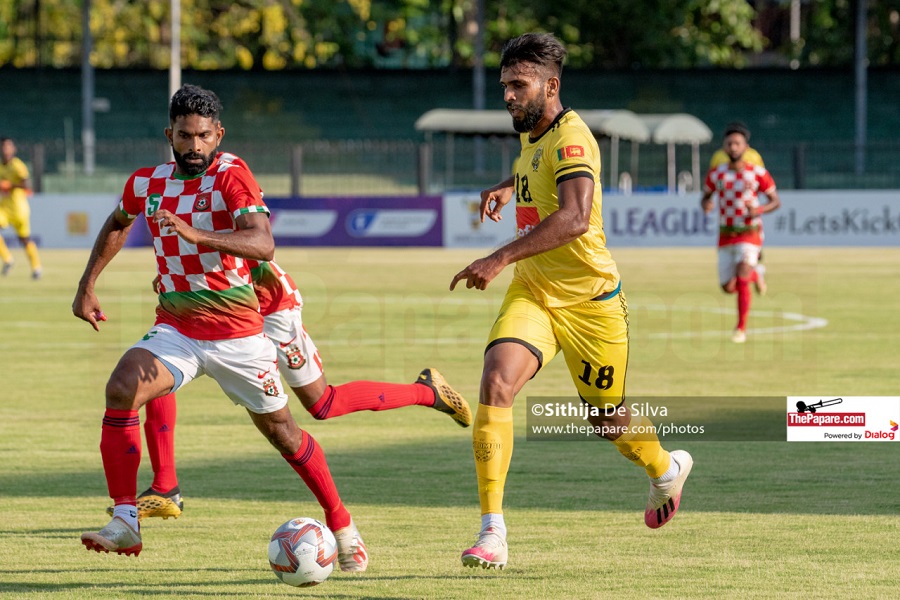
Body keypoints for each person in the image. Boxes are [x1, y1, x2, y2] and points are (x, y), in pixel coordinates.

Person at [71, 84, 365, 569]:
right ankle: (126, 521)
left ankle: (342, 522)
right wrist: (88, 283)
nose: (194, 147)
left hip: (239, 338)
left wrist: (194, 233)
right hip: (178, 332)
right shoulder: (147, 183)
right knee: (122, 386)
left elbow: (263, 242)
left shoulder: (232, 173)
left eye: (203, 136)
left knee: (286, 434)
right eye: (184, 136)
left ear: (218, 134)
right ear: (170, 134)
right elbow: (120, 220)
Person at [449, 33, 693, 570]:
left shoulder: (574, 138)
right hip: (534, 294)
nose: (508, 95)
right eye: (505, 85)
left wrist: (498, 257)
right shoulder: (534, 135)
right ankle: (492, 532)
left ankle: (665, 470)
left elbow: (575, 216)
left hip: (591, 304)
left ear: (550, 86)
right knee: (496, 379)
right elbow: (541, 177)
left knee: (607, 420)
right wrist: (508, 186)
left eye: (519, 85)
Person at [113, 255, 471, 521]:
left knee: (322, 404)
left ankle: (428, 392)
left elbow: (252, 239)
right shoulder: (175, 184)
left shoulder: (226, 179)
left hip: (269, 306)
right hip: (212, 311)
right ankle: (165, 485)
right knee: (158, 363)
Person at [701, 122, 781, 344]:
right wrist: (706, 204)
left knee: (742, 272)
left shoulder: (757, 173)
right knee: (728, 287)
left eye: (737, 143)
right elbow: (705, 197)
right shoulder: (717, 174)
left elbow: (776, 201)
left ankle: (741, 328)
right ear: (724, 147)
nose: (733, 147)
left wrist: (759, 209)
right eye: (730, 143)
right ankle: (758, 274)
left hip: (750, 232)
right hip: (726, 234)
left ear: (745, 147)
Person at [0, 137, 42, 279]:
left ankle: (36, 268)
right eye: (3, 147)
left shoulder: (17, 165)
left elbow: (27, 185)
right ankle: (7, 259)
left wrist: (10, 185)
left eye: (8, 147)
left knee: (24, 240)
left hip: (19, 209)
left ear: (13, 149)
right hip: (4, 208)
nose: (5, 150)